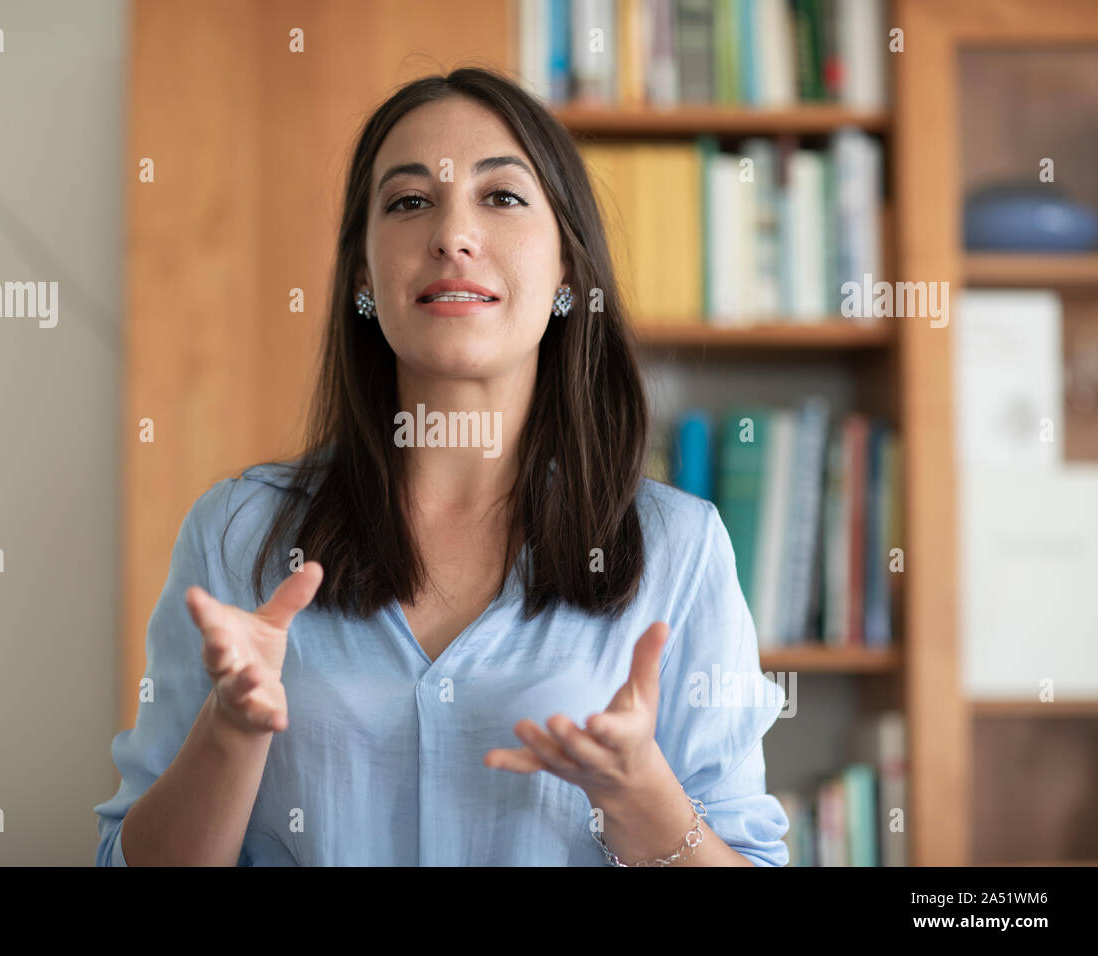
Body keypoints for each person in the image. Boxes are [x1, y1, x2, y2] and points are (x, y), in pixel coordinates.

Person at [93, 66, 790, 866]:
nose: (453, 235)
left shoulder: (681, 548)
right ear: (362, 275)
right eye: (409, 201)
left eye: (501, 197)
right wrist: (231, 728)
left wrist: (644, 796)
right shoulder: (236, 532)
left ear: (567, 269)